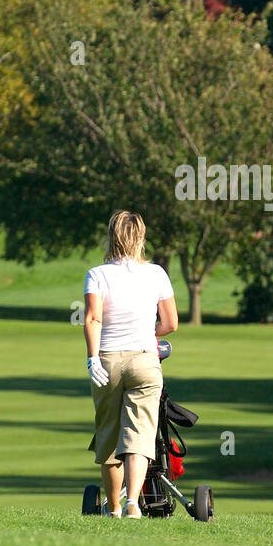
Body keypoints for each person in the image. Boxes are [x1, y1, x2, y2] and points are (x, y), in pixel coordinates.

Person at [83, 210, 179, 518]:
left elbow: (93, 318)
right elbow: (171, 323)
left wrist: (92, 358)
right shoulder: (156, 274)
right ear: (141, 238)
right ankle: (134, 504)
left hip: (108, 360)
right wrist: (146, 333)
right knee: (139, 437)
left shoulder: (97, 274)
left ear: (112, 236)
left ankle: (113, 507)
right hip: (145, 360)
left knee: (109, 437)